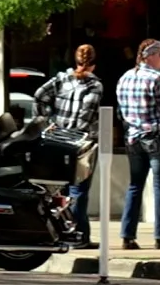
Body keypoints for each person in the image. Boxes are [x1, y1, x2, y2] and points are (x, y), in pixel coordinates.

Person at [112, 38, 160, 250]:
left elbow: (120, 113)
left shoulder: (124, 78)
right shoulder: (156, 79)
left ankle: (128, 235)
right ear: (150, 56)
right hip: (156, 137)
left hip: (133, 138)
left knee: (135, 186)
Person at [32, 44, 105, 233]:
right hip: (81, 144)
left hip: (57, 140)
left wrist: (47, 123)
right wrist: (76, 133)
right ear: (94, 64)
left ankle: (61, 230)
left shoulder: (61, 79)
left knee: (59, 188)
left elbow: (39, 96)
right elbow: (86, 116)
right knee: (79, 190)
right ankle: (78, 232)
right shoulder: (95, 85)